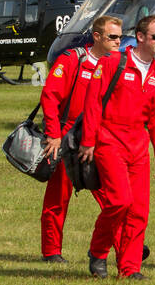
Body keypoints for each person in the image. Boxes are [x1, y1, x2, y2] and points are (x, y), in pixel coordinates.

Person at [79, 14, 155, 280]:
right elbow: (93, 102)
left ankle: (130, 268)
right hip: (109, 142)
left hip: (138, 147)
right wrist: (88, 141)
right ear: (140, 37)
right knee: (119, 201)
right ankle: (98, 252)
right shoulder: (112, 63)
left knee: (139, 210)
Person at [38, 15, 123, 263]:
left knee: (114, 198)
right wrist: (53, 134)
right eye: (113, 37)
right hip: (67, 139)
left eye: (120, 36)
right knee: (57, 198)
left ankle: (125, 247)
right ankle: (51, 251)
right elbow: (50, 97)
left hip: (101, 140)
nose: (119, 41)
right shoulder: (73, 60)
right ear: (97, 37)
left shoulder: (118, 64)